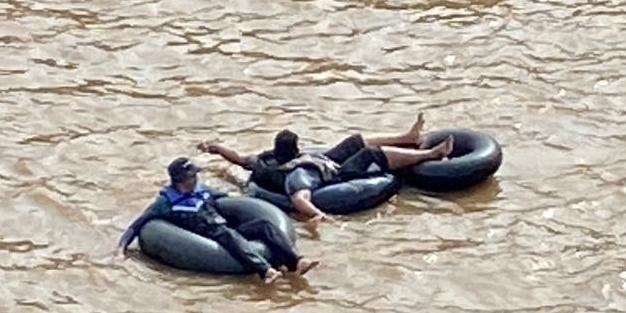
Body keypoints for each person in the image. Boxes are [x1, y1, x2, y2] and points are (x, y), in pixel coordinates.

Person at [198, 113, 452, 221]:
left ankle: (408, 138)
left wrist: (216, 148)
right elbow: (299, 198)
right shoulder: (299, 175)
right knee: (369, 155)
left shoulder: (264, 161)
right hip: (335, 175)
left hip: (324, 161)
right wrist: (317, 215)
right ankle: (432, 153)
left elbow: (239, 158)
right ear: (297, 151)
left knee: (354, 141)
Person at [117, 157, 317, 284]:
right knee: (227, 234)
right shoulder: (165, 202)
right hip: (205, 235)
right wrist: (121, 250)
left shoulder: (202, 190)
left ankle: (295, 262)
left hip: (221, 226)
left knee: (263, 226)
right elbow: (137, 224)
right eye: (192, 175)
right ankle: (265, 271)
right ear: (181, 180)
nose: (195, 178)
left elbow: (227, 199)